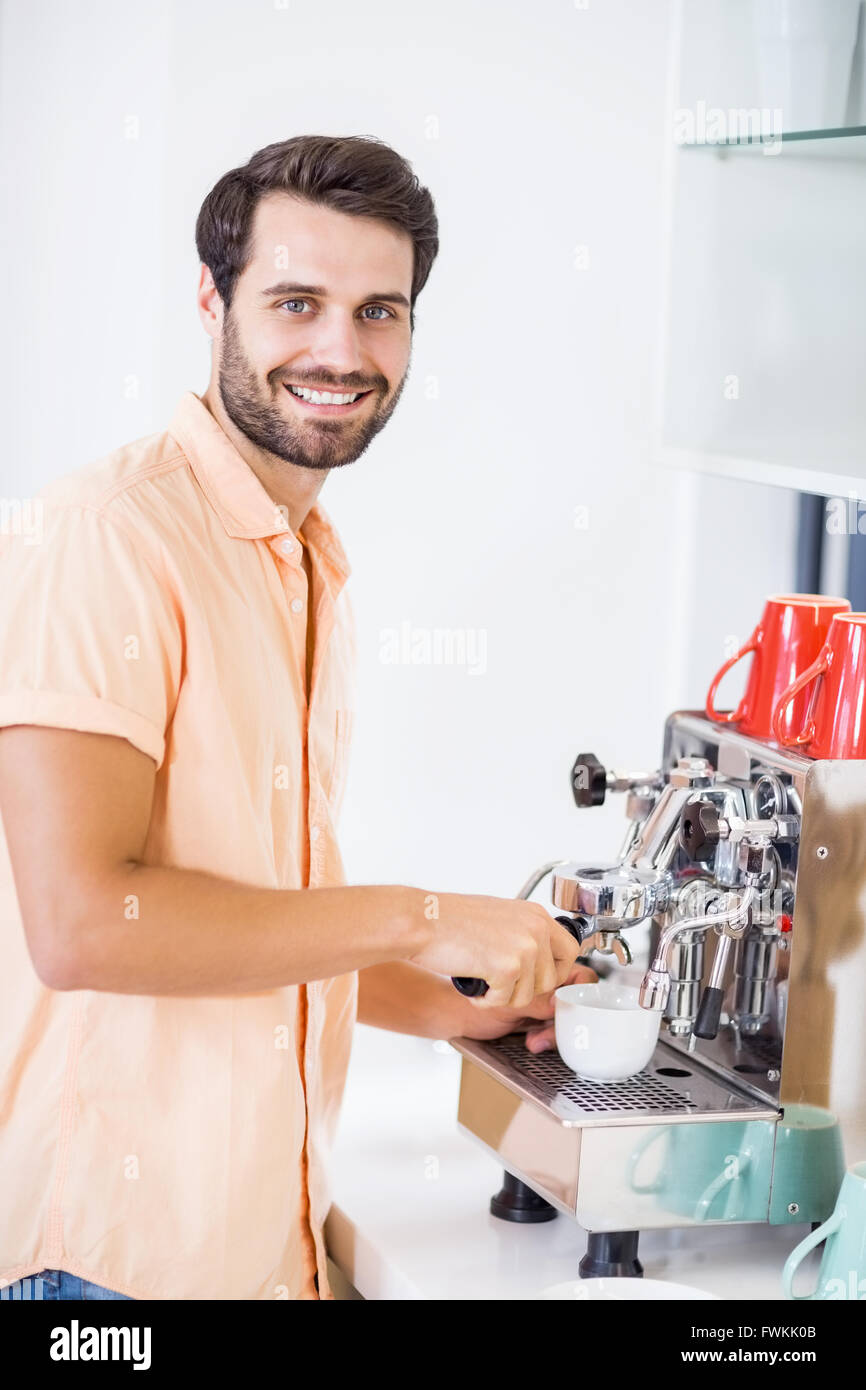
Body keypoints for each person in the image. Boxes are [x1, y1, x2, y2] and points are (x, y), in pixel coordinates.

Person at [0, 135, 591, 1302]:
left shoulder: (306, 561)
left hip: (261, 1254)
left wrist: (462, 1006)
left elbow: (255, 923)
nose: (340, 350)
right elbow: (85, 923)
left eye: (379, 310)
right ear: (213, 303)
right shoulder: (108, 538)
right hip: (107, 1282)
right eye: (295, 303)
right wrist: (424, 918)